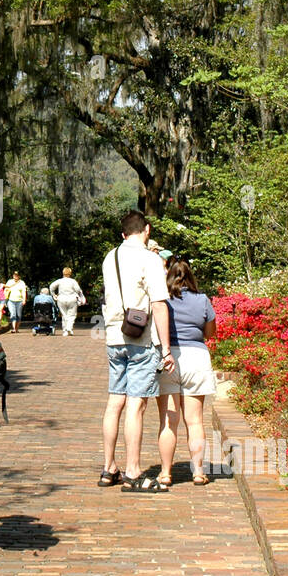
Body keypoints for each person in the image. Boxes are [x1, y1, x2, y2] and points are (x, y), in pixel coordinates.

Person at [100, 210, 175, 493]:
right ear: (147, 230)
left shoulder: (111, 257)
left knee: (114, 401)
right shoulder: (150, 259)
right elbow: (159, 304)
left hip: (113, 336)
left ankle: (109, 467)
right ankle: (132, 472)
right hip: (141, 340)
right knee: (137, 404)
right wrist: (166, 349)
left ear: (122, 234)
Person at [157, 256, 218, 486]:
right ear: (191, 277)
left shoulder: (163, 301)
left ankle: (165, 472)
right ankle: (199, 472)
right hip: (196, 357)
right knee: (194, 421)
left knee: (168, 421)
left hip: (169, 357)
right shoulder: (203, 300)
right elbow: (210, 333)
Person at [50, 267, 86, 335]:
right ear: (70, 273)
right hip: (72, 298)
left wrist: (53, 295)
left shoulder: (60, 281)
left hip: (61, 299)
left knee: (64, 315)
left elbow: (51, 286)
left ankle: (65, 331)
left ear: (63, 273)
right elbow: (78, 290)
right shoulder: (73, 281)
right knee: (72, 315)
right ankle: (69, 328)